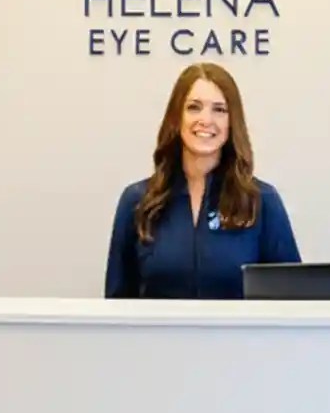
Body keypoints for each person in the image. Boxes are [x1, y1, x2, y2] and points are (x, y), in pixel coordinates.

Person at [104, 62, 301, 299]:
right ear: (176, 118)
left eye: (219, 109)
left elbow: (292, 303)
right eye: (194, 107)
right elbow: (116, 306)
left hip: (238, 337)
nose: (206, 120)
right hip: (158, 337)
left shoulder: (261, 201)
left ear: (231, 122)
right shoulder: (137, 201)